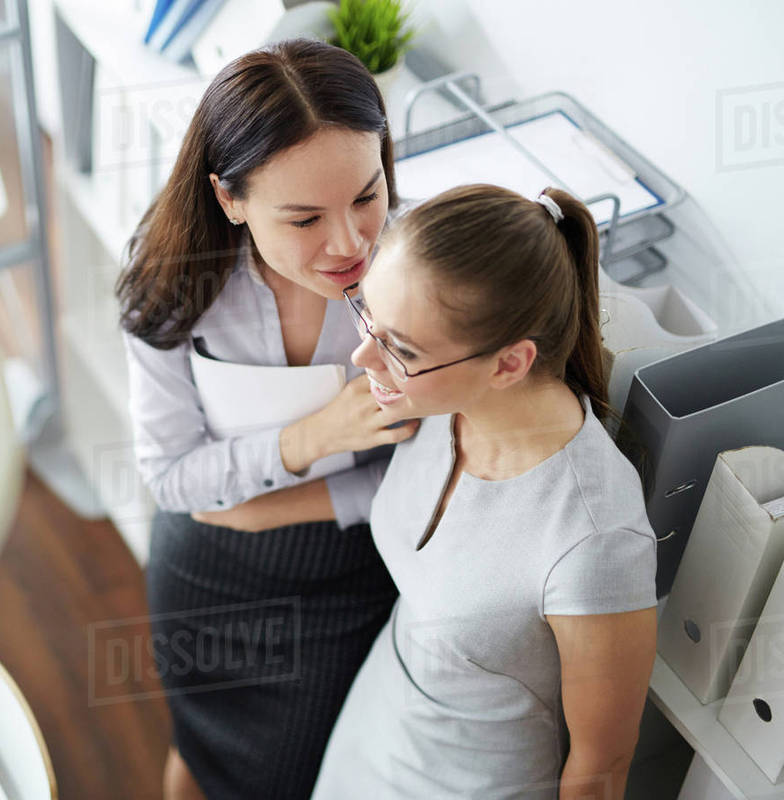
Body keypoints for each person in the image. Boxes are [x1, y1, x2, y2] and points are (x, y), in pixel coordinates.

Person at [116, 39, 419, 800]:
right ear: (230, 198)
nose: (349, 243)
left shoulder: (419, 272)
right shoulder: (173, 288)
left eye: (366, 195)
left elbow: (431, 466)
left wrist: (267, 509)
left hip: (347, 574)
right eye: (305, 218)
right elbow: (170, 474)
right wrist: (315, 437)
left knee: (290, 775)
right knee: (198, 747)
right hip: (206, 573)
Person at [310, 184, 659, 799]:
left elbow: (599, 772)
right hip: (375, 730)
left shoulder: (595, 540)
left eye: (401, 348)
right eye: (370, 317)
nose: (365, 356)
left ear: (509, 364)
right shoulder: (441, 400)